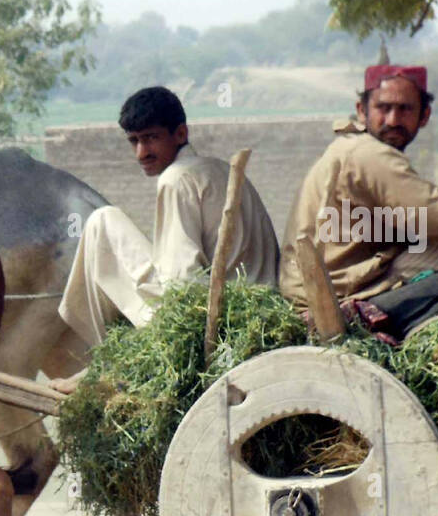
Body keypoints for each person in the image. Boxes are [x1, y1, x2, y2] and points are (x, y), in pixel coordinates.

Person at [50, 86, 279, 393]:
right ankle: (109, 358)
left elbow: (181, 283)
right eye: (134, 141)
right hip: (256, 305)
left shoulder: (177, 179)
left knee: (101, 222)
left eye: (151, 138)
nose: (141, 153)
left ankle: (112, 358)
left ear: (180, 134)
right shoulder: (219, 168)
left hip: (213, 318)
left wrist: (154, 337)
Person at [278, 63, 438, 307]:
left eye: (405, 109)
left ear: (424, 116)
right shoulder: (367, 153)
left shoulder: (354, 148)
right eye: (383, 108)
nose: (393, 120)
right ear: (361, 110)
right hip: (332, 288)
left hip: (332, 277)